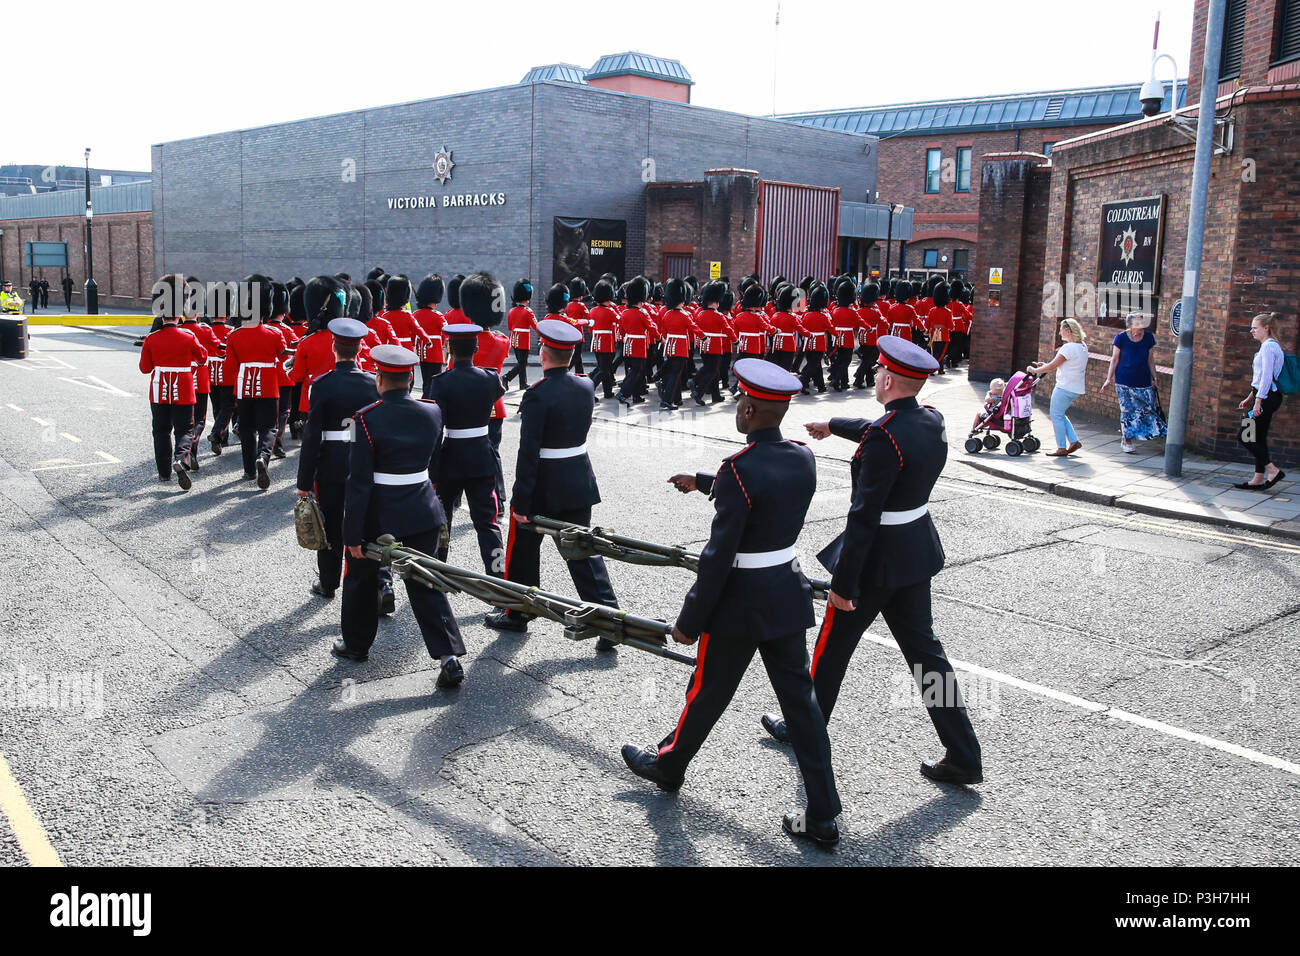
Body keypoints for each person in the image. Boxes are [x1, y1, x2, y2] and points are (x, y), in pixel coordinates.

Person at [623, 358, 842, 846]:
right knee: (802, 705)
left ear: (746, 408)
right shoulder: (801, 456)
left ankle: (669, 764)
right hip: (785, 591)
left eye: (740, 402)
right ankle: (824, 813)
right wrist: (701, 481)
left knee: (708, 689)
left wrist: (689, 620)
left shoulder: (739, 469)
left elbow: (718, 556)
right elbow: (764, 490)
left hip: (739, 601)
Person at [761, 336, 984, 786]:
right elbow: (878, 429)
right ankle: (963, 753)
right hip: (915, 552)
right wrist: (833, 423)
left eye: (879, 372)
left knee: (831, 647)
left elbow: (863, 516)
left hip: (876, 560)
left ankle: (805, 724)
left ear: (886, 379)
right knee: (926, 657)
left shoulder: (886, 438)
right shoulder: (930, 420)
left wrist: (843, 584)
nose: (876, 376)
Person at [484, 318, 619, 651]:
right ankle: (609, 618)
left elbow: (529, 454)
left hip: (545, 486)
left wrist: (521, 502)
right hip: (578, 480)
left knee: (522, 550)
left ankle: (517, 612)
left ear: (544, 353)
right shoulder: (586, 385)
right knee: (582, 551)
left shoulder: (538, 395)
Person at [338, 344, 467, 688]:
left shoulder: (362, 419)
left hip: (379, 515)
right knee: (426, 581)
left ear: (379, 379)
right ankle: (448, 655)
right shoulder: (433, 411)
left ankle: (356, 645)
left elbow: (358, 482)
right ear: (411, 378)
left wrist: (351, 536)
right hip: (422, 508)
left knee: (360, 578)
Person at [295, 312, 379, 600]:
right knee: (364, 520)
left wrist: (303, 481)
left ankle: (329, 583)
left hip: (331, 462)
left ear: (334, 347)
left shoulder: (322, 384)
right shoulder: (372, 382)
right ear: (359, 349)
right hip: (363, 460)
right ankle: (371, 581)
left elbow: (312, 435)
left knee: (330, 524)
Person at [428, 322, 507, 576]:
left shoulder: (441, 382)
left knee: (442, 520)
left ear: (449, 348)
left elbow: (435, 427)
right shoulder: (490, 378)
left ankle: (438, 572)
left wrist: (431, 464)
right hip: (482, 455)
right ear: (476, 348)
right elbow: (497, 394)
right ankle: (499, 577)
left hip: (451, 456)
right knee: (488, 524)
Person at [140, 274, 207, 491]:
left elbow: (145, 368)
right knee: (184, 430)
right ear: (180, 311)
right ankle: (180, 459)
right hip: (185, 389)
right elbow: (202, 358)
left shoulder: (152, 338)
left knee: (160, 431)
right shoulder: (188, 336)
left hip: (159, 389)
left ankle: (163, 473)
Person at [222, 275, 290, 489]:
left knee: (247, 429)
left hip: (244, 387)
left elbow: (229, 367)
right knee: (268, 427)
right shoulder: (275, 333)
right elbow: (285, 359)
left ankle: (249, 470)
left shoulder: (235, 335)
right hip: (269, 386)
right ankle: (263, 457)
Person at [1235, 312, 1287, 491]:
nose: (1251, 331)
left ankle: (1273, 471)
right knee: (1258, 437)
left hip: (1266, 398)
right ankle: (1258, 478)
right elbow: (1261, 378)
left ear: (1266, 328)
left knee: (1245, 435)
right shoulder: (1268, 346)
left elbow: (1266, 377)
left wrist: (1257, 402)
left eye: (1255, 328)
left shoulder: (1268, 348)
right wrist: (1251, 397)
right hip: (1263, 396)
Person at [1100, 312, 1165, 453]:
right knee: (1127, 411)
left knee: (1147, 408)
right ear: (1130, 325)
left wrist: (1155, 377)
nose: (1141, 326)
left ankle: (1145, 434)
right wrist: (1108, 379)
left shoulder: (1148, 338)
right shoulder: (1121, 338)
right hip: (1124, 380)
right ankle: (1126, 440)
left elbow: (1150, 360)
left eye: (1142, 323)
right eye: (1137, 323)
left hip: (1143, 379)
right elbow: (1115, 359)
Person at [1028, 318, 1089, 457]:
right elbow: (1063, 364)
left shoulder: (1068, 347)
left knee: (1056, 416)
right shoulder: (1082, 346)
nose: (1060, 332)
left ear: (1068, 331)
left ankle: (1061, 448)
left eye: (1061, 329)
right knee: (1060, 414)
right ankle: (1074, 441)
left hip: (1064, 387)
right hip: (1076, 387)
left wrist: (1034, 370)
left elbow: (1052, 366)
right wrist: (1044, 365)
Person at [412, 274, 447, 398]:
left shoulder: (415, 315)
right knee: (433, 385)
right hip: (435, 354)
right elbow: (446, 334)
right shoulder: (438, 316)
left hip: (421, 354)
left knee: (426, 383)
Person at [503, 279, 536, 389]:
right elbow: (536, 327)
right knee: (523, 363)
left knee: (521, 362)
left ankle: (523, 383)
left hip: (514, 339)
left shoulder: (512, 310)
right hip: (523, 340)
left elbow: (509, 326)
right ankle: (506, 377)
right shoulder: (528, 311)